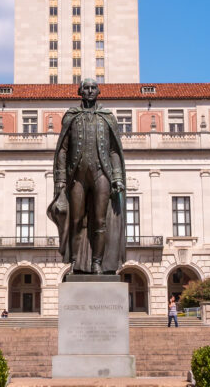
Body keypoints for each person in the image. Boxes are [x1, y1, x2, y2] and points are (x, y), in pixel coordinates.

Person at [47, 79, 128, 275]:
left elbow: (114, 150)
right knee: (76, 220)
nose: (90, 91)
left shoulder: (107, 117)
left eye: (93, 88)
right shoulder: (72, 117)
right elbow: (63, 149)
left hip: (102, 174)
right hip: (78, 176)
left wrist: (117, 176)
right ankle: (76, 261)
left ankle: (97, 262)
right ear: (80, 92)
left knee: (100, 221)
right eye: (86, 88)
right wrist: (60, 179)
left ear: (98, 91)